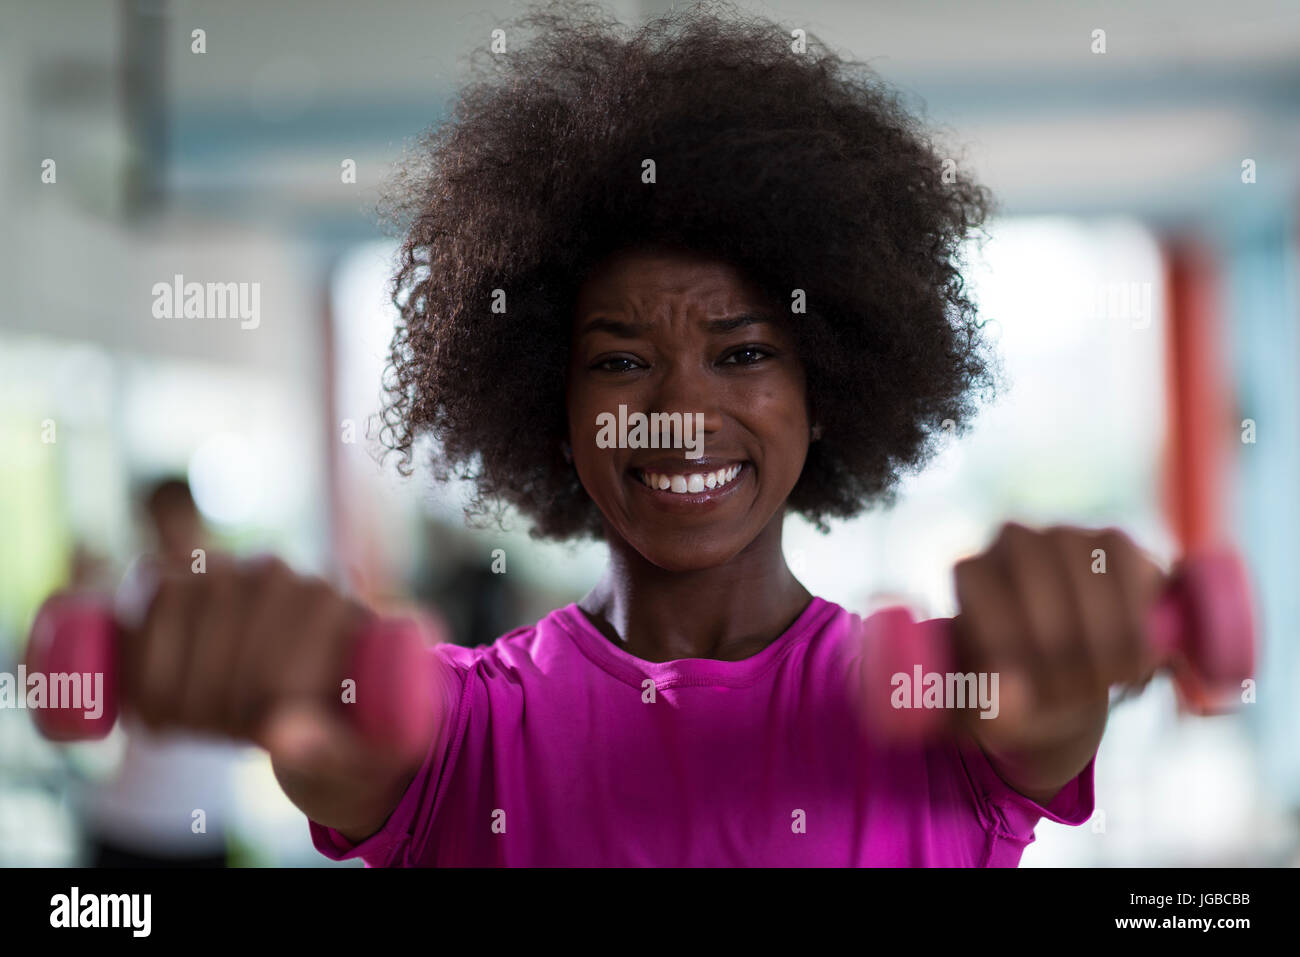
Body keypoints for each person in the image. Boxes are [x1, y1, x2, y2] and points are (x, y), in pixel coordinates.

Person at [119, 0, 1167, 866]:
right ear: (553, 414)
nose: (677, 410)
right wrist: (283, 681)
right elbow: (340, 738)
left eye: (744, 354)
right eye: (620, 361)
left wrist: (1068, 647)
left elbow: (1040, 718)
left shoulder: (934, 703)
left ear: (824, 394)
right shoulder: (459, 732)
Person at [79, 478, 248, 867]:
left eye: (178, 524)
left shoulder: (232, 592)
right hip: (129, 820)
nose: (171, 539)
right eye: (159, 527)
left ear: (195, 520)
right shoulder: (136, 588)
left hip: (200, 826)